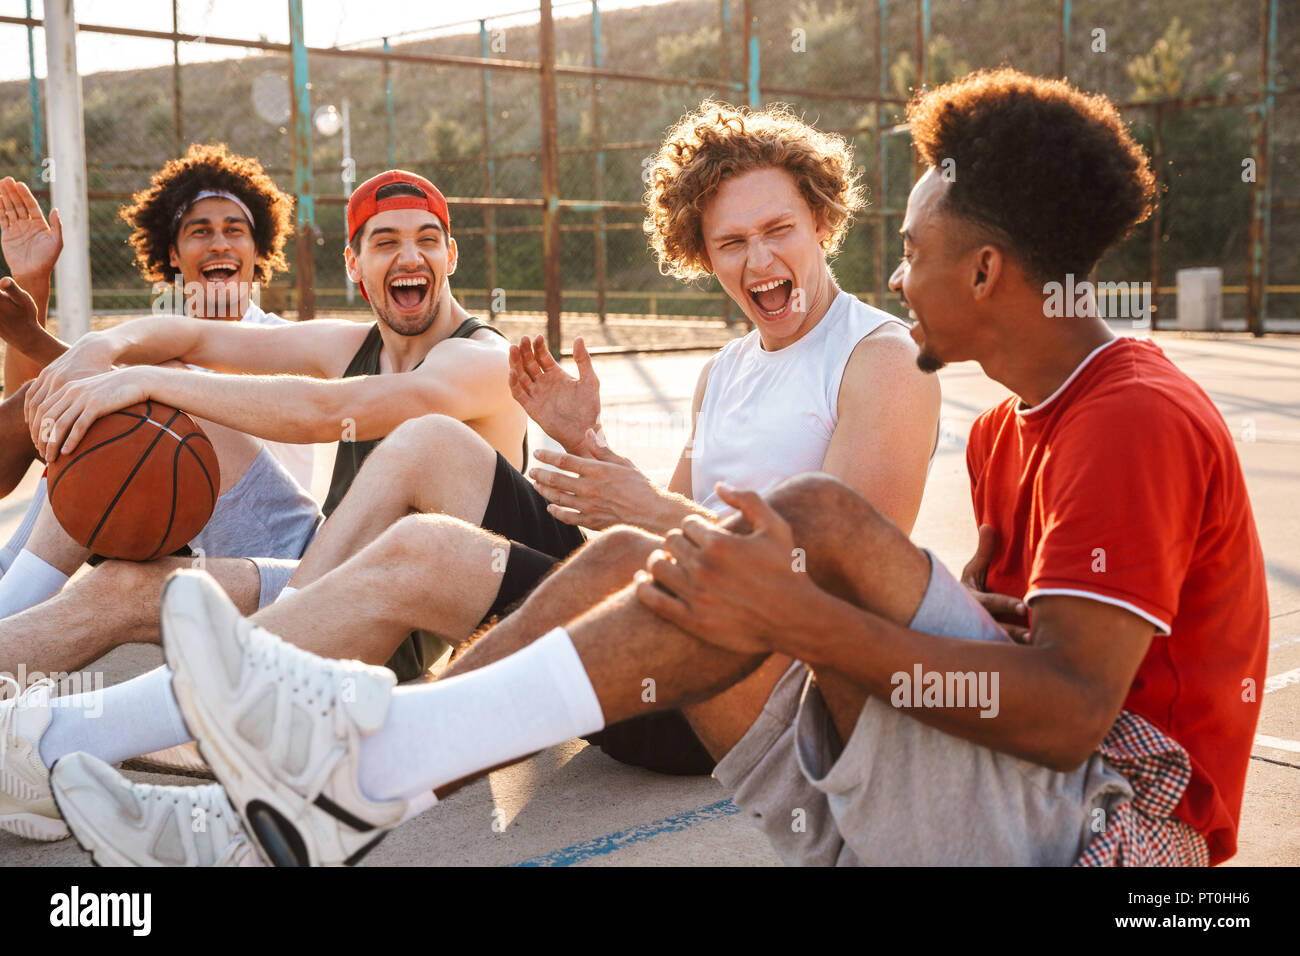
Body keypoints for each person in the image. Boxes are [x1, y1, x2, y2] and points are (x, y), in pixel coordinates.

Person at [69, 68, 1267, 867]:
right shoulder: (1015, 423)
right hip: (978, 760)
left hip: (1118, 828)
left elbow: (1061, 716)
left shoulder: (1125, 417)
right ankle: (320, 768)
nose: (898, 276)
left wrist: (784, 600)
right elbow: (986, 632)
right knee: (697, 541)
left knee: (775, 529)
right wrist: (610, 468)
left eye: (909, 251)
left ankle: (323, 756)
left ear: (989, 271)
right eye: (728, 239)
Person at [22, 100, 942, 863]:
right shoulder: (728, 368)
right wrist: (594, 450)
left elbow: (839, 591)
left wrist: (646, 507)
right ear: (702, 253)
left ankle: (71, 740)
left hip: (741, 695)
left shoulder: (881, 360)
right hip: (663, 619)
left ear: (823, 221)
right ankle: (239, 751)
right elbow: (670, 536)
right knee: (429, 471)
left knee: (452, 536)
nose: (758, 261)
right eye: (730, 241)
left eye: (778, 230)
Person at [0, 167, 530, 840]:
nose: (410, 256)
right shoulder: (354, 344)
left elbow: (326, 409)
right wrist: (103, 350)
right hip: (315, 565)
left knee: (147, 454)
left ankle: (52, 729)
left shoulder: (482, 359)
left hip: (391, 616)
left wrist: (132, 378)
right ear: (356, 265)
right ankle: (12, 610)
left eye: (428, 239)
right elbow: (189, 338)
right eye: (385, 241)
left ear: (451, 256)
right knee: (125, 564)